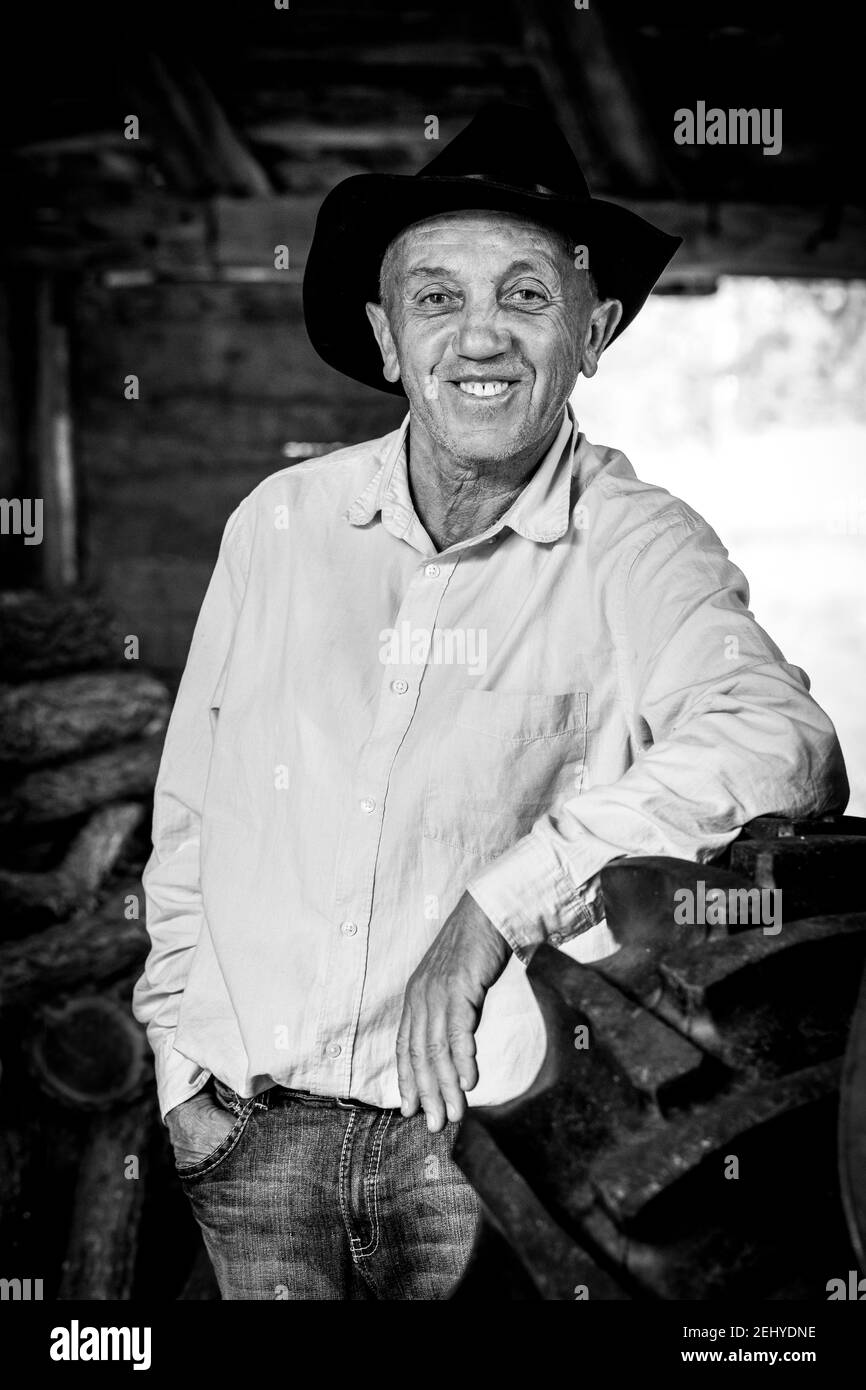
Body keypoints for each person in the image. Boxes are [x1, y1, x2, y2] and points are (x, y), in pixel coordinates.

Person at [133, 103, 848, 1300]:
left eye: (526, 296)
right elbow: (192, 815)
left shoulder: (637, 548)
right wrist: (181, 1072)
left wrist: (493, 910)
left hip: (474, 1148)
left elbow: (781, 744)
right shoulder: (279, 524)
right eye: (436, 298)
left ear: (594, 330)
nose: (480, 337)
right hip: (247, 1132)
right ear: (383, 338)